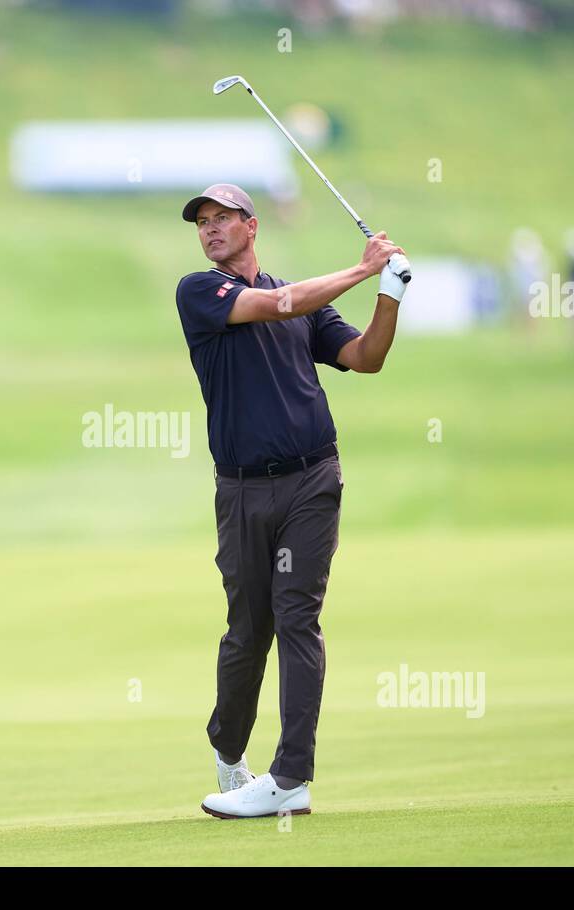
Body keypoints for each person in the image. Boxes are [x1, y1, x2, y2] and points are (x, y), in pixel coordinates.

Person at [174, 183, 408, 819]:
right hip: (243, 489)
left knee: (297, 616)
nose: (211, 229)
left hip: (312, 481)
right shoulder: (200, 292)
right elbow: (277, 304)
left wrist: (390, 294)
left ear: (252, 226)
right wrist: (363, 268)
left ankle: (290, 777)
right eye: (203, 222)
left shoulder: (302, 303)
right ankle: (228, 751)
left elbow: (365, 358)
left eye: (223, 219)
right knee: (249, 631)